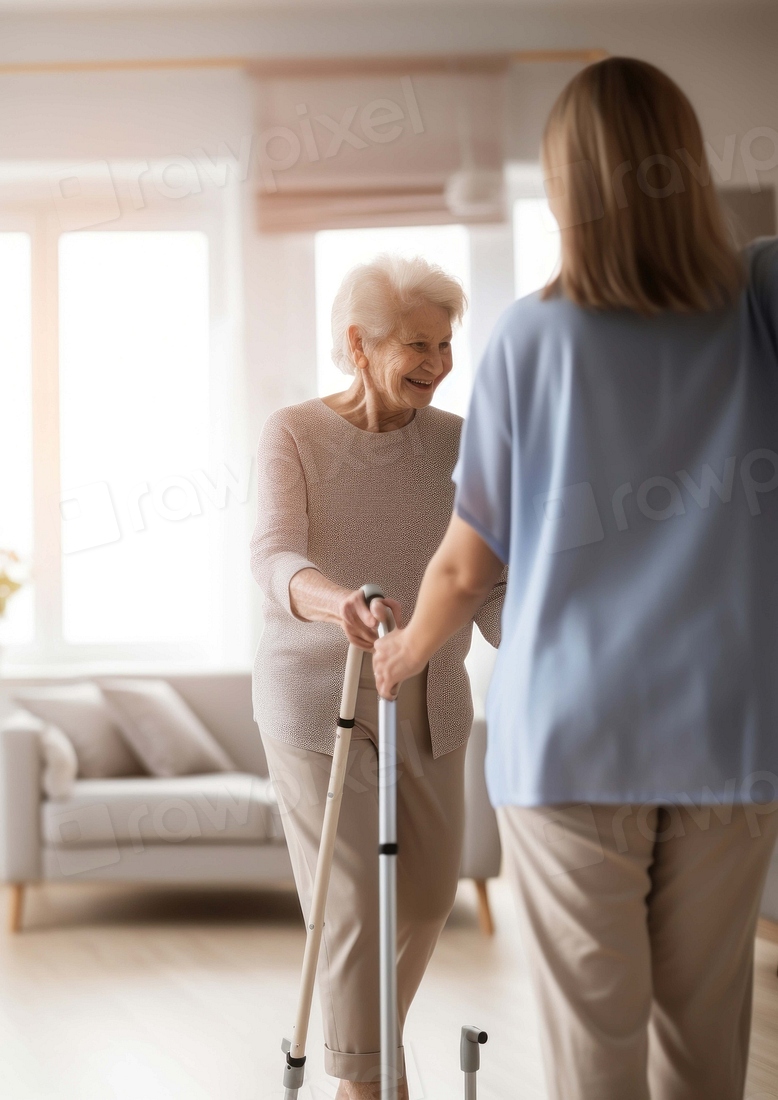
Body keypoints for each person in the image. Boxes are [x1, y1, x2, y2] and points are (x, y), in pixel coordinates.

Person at [373, 57, 778, 1100]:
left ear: (566, 188)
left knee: (592, 1057)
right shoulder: (759, 305)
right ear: (686, 164)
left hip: (571, 736)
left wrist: (404, 650)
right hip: (729, 731)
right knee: (707, 1050)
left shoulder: (530, 336)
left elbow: (468, 562)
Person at [249, 253, 505, 1099]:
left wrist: (551, 651)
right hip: (317, 699)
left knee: (427, 898)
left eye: (445, 345)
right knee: (356, 904)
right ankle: (369, 1082)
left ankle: (369, 1057)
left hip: (431, 697)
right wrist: (338, 606)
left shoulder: (462, 443)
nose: (437, 363)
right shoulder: (293, 433)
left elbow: (491, 582)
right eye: (417, 346)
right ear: (359, 344)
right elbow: (273, 555)